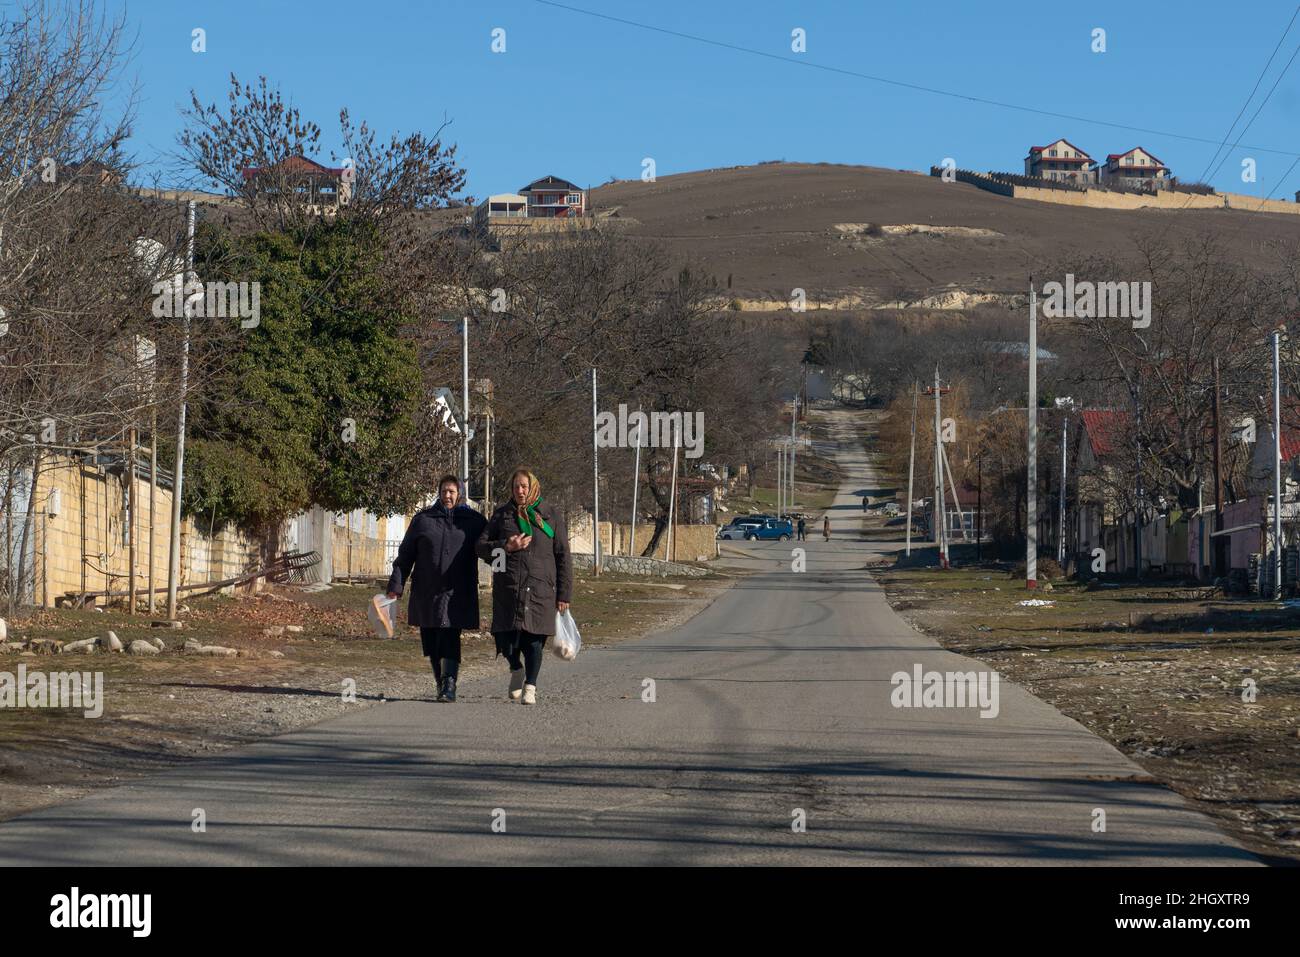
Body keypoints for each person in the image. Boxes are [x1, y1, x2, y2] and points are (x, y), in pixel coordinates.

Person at [476, 468, 572, 705]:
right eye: (516, 486)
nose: (520, 491)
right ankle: (516, 669)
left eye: (524, 486)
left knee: (534, 640)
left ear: (533, 488)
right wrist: (506, 546)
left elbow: (563, 556)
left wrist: (564, 593)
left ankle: (531, 686)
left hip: (540, 589)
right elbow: (480, 548)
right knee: (506, 640)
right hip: (508, 589)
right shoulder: (502, 516)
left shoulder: (550, 516)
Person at [386, 475, 486, 703]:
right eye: (444, 491)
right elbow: (405, 555)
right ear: (439, 493)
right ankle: (440, 681)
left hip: (457, 590)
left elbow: (490, 544)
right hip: (426, 590)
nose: (447, 495)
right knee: (430, 639)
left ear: (459, 493)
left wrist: (507, 551)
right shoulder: (423, 520)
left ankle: (449, 683)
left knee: (450, 635)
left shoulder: (473, 521)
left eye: (452, 491)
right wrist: (396, 586)